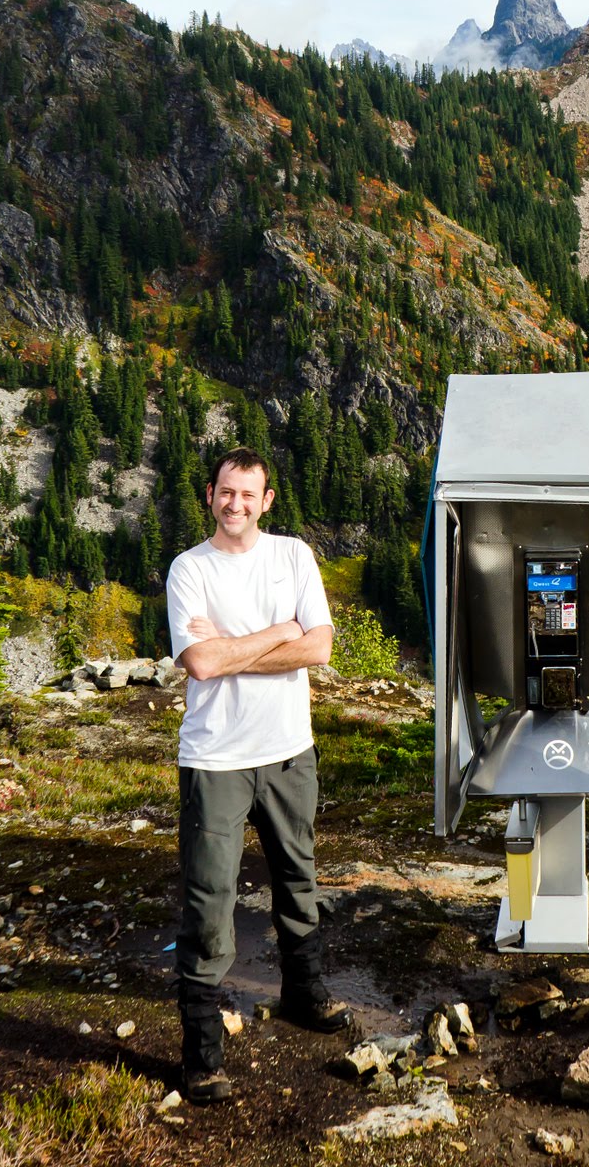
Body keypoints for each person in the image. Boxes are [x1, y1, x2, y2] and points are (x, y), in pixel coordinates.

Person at [166, 446, 350, 1104]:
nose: (236, 504)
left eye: (249, 494)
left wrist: (229, 648)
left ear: (266, 500)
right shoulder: (189, 568)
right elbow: (201, 665)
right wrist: (277, 632)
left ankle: (305, 993)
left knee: (299, 880)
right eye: (226, 493)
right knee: (209, 900)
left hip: (287, 751)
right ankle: (202, 1053)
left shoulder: (293, 556)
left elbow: (320, 647)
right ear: (210, 496)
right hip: (215, 759)